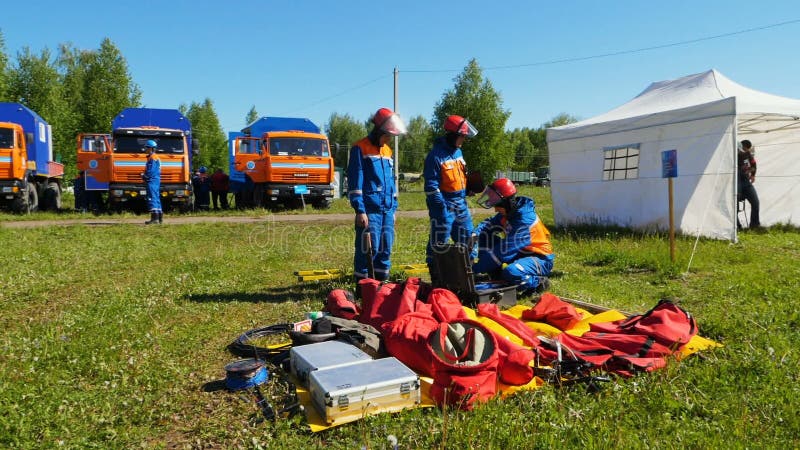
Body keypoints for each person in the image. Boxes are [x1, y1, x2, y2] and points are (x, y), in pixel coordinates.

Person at [347, 107, 407, 282]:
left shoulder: (387, 151)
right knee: (368, 248)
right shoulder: (360, 148)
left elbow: (391, 181)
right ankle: (363, 286)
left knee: (386, 247)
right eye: (388, 135)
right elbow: (355, 182)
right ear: (379, 131)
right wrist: (360, 210)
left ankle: (382, 283)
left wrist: (393, 208)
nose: (389, 139)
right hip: (370, 210)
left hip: (387, 210)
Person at [472, 178, 554, 293]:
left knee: (512, 272)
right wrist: (475, 234)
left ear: (506, 203)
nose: (495, 209)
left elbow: (502, 252)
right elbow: (488, 224)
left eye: (497, 206)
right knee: (485, 235)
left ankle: (538, 282)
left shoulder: (525, 221)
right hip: (521, 253)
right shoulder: (509, 212)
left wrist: (474, 269)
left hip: (540, 258)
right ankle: (496, 276)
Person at [423, 114, 479, 283]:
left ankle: (468, 274)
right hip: (444, 204)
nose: (464, 140)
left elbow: (462, 174)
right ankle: (437, 276)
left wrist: (468, 188)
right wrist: (441, 208)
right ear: (452, 135)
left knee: (468, 237)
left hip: (460, 202)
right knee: (440, 240)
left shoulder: (459, 152)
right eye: (462, 136)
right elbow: (431, 186)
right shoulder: (435, 156)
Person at [738, 139, 760, 229]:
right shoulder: (734, 154)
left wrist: (753, 175)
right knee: (734, 206)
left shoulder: (748, 155)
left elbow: (754, 164)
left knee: (755, 203)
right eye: (744, 148)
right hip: (736, 183)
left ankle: (754, 225)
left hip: (746, 183)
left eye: (747, 149)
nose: (746, 151)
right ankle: (737, 226)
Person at [142, 139, 162, 224]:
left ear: (151, 148)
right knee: (156, 198)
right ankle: (159, 218)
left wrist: (144, 176)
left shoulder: (152, 158)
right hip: (156, 181)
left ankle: (155, 219)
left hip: (152, 181)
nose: (145, 149)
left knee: (152, 198)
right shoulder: (155, 157)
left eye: (146, 148)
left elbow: (151, 171)